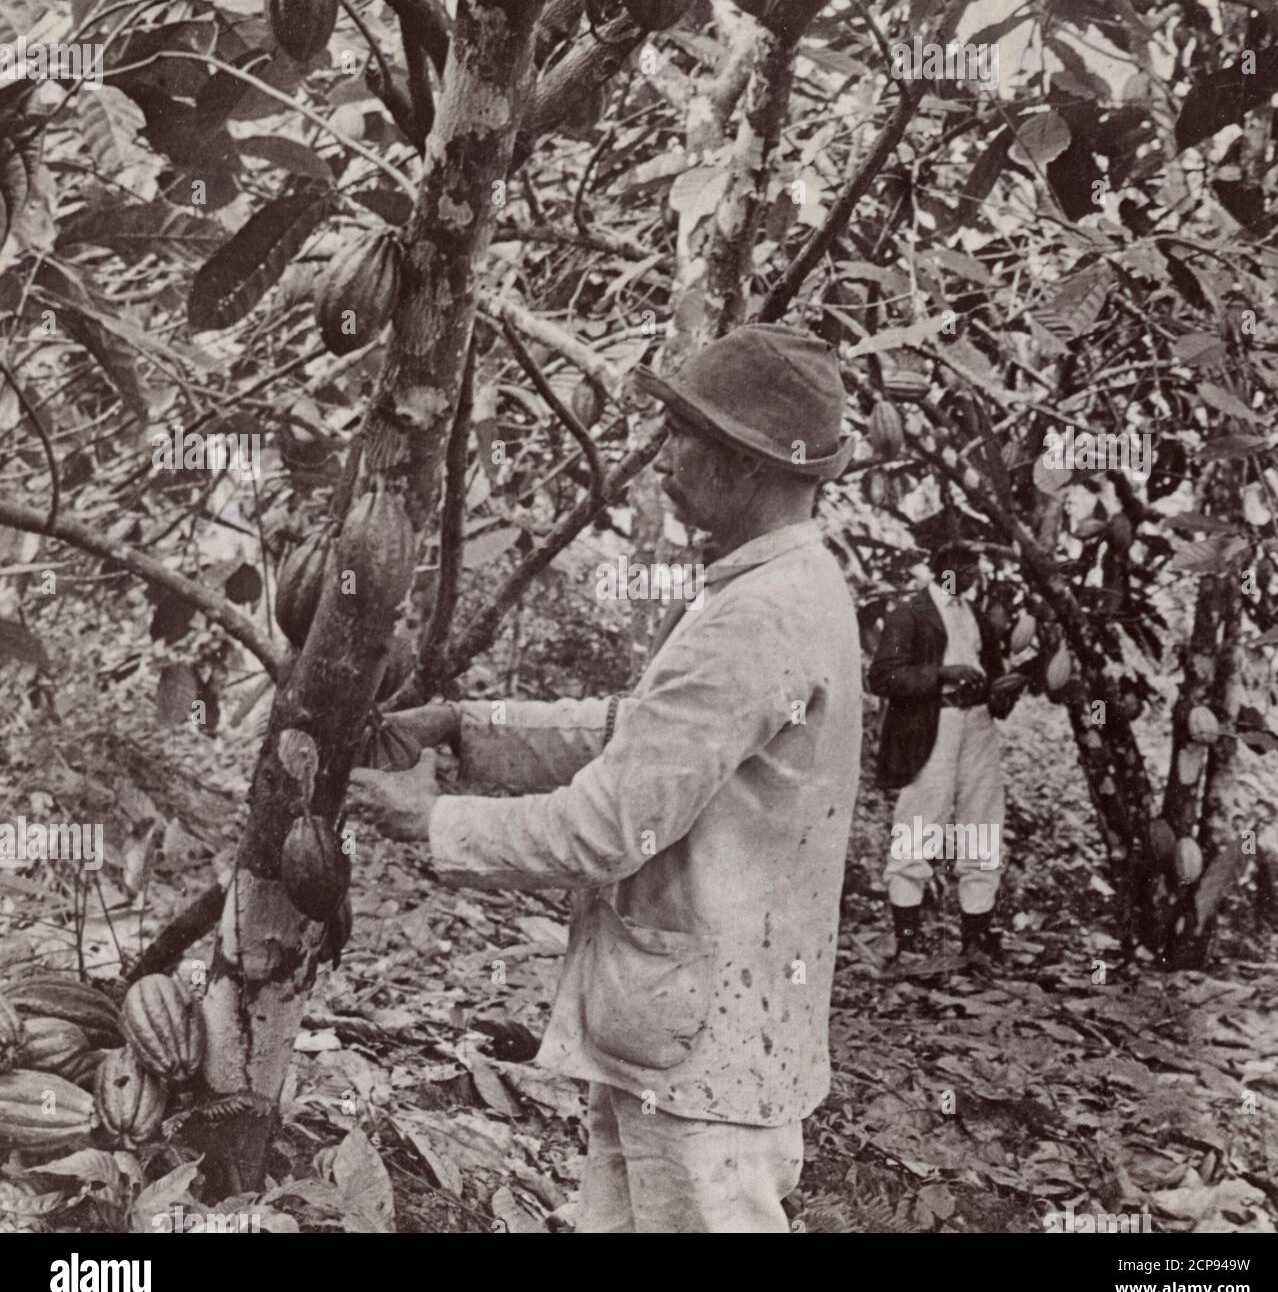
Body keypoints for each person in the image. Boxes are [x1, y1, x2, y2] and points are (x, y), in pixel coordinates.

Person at [351, 323, 862, 1233]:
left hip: (704, 1047)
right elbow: (646, 733)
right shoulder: (781, 585)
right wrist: (472, 729)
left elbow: (607, 826)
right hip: (692, 1029)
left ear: (747, 465)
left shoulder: (758, 617)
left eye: (686, 436)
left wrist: (434, 824)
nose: (664, 457)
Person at [867, 542, 1021, 964]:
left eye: (975, 569)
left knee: (982, 823)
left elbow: (995, 678)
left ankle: (975, 937)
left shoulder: (977, 619)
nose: (972, 576)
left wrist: (1004, 692)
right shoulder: (909, 614)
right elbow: (881, 677)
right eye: (964, 568)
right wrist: (942, 675)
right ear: (943, 569)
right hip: (930, 724)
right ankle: (907, 938)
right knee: (919, 824)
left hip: (976, 726)